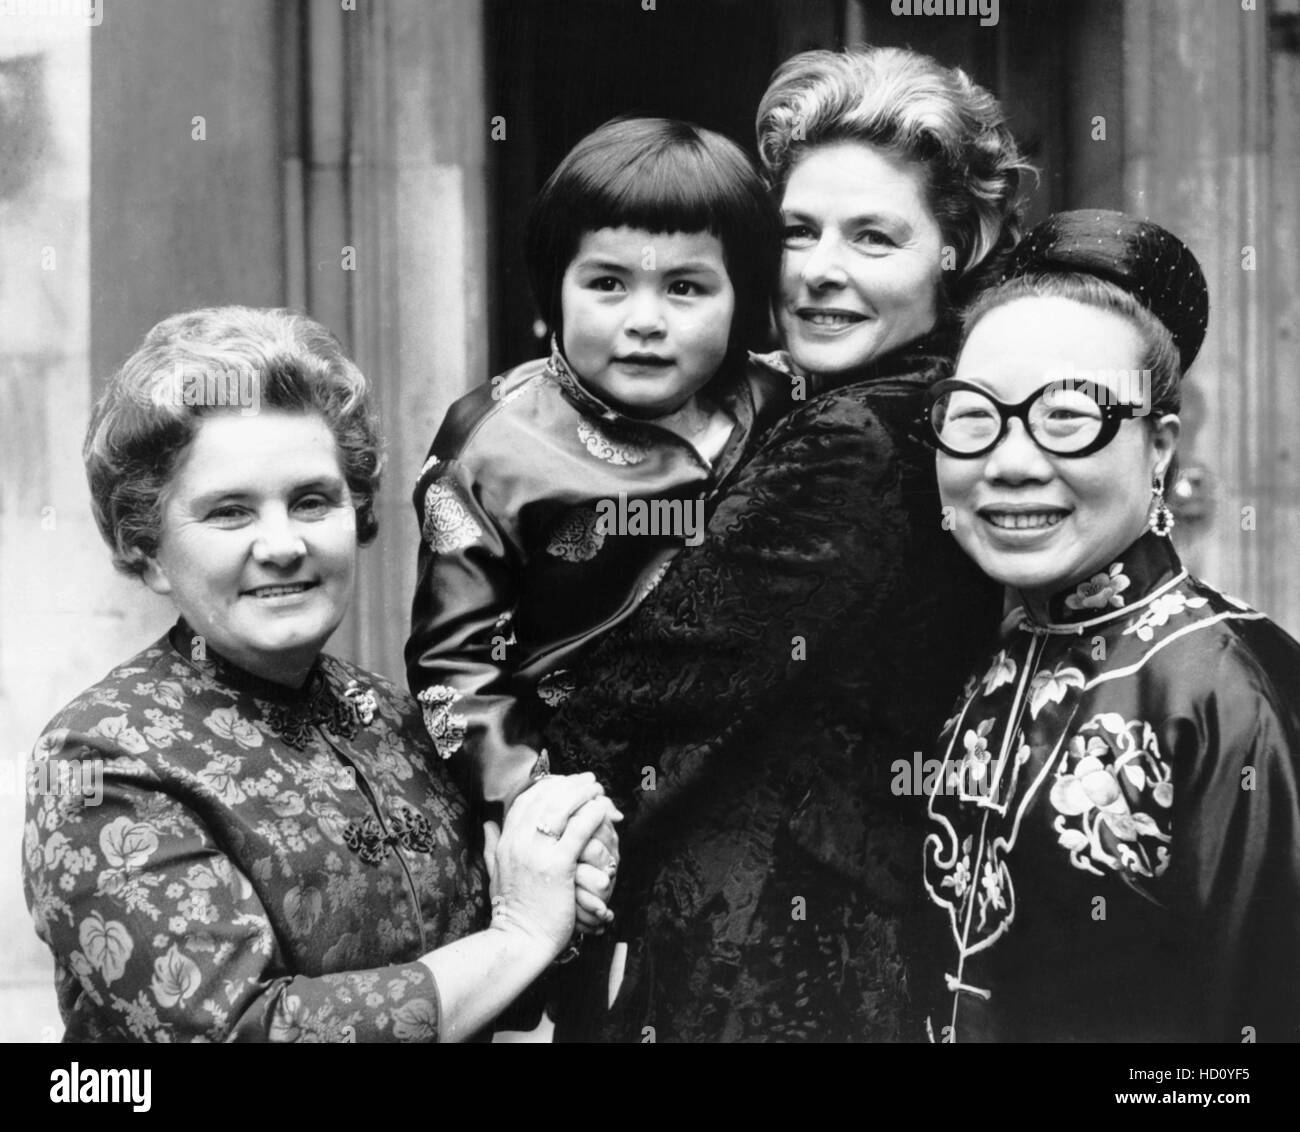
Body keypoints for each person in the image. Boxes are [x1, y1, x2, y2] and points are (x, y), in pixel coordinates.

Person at [537, 46, 1031, 1042]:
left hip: (773, 956)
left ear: (957, 245)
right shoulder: (872, 404)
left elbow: (645, 676)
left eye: (872, 238)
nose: (819, 271)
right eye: (797, 231)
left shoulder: (862, 437)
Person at [22, 306, 618, 1042]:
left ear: (357, 514)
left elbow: (508, 986)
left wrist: (566, 866)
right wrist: (522, 934)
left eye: (311, 501)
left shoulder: (399, 721)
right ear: (147, 550)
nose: (282, 545)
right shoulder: (99, 757)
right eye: (230, 513)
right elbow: (241, 1031)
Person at [921, 209, 1300, 1042]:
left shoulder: (1232, 691)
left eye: (1068, 416)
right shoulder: (977, 649)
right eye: (974, 415)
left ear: (1160, 447)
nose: (1012, 463)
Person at [405, 117, 788, 816]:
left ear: (744, 299)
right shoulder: (494, 442)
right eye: (608, 283)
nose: (644, 320)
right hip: (571, 780)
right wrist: (528, 801)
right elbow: (453, 667)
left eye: (686, 288)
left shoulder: (783, 402)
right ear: (555, 291)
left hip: (746, 770)